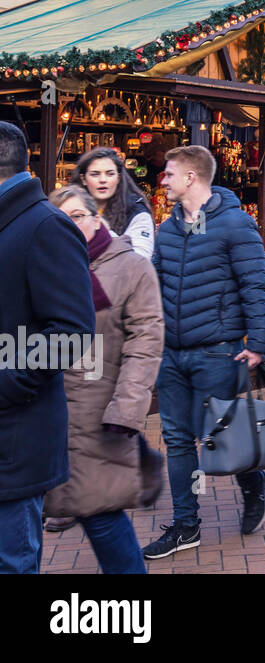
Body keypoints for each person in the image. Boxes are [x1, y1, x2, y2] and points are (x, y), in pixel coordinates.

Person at [144, 145, 265, 560]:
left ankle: (253, 481)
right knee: (178, 439)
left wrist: (258, 342)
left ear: (191, 178)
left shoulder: (236, 225)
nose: (162, 180)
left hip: (218, 351)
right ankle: (186, 526)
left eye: (168, 174)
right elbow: (156, 289)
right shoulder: (166, 230)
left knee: (223, 437)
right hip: (172, 353)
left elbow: (255, 284)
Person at [45, 186, 164, 573]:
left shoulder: (131, 267)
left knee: (101, 516)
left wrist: (128, 409)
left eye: (78, 215)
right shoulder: (47, 266)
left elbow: (145, 342)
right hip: (47, 415)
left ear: (98, 220)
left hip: (101, 418)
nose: (70, 225)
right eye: (61, 218)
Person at [0, 122, 97, 574]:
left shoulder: (45, 225)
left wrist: (7, 380)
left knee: (12, 562)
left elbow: (73, 331)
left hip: (17, 436)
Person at [74, 146, 155, 258]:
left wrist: (102, 231)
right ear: (83, 179)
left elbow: (139, 260)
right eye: (95, 174)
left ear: (119, 177)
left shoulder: (136, 212)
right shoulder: (73, 208)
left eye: (110, 174)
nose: (103, 180)